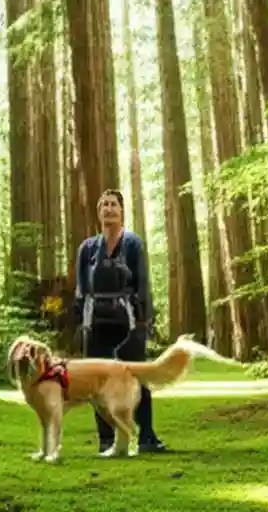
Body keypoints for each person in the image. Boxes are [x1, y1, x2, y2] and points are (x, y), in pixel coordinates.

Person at [72, 188, 168, 454]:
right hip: (96, 321)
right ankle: (106, 439)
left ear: (121, 210)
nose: (108, 208)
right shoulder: (87, 248)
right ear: (98, 211)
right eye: (103, 204)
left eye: (113, 204)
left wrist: (143, 319)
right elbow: (81, 287)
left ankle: (147, 437)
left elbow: (142, 282)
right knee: (96, 382)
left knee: (137, 377)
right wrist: (80, 318)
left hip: (129, 320)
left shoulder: (133, 243)